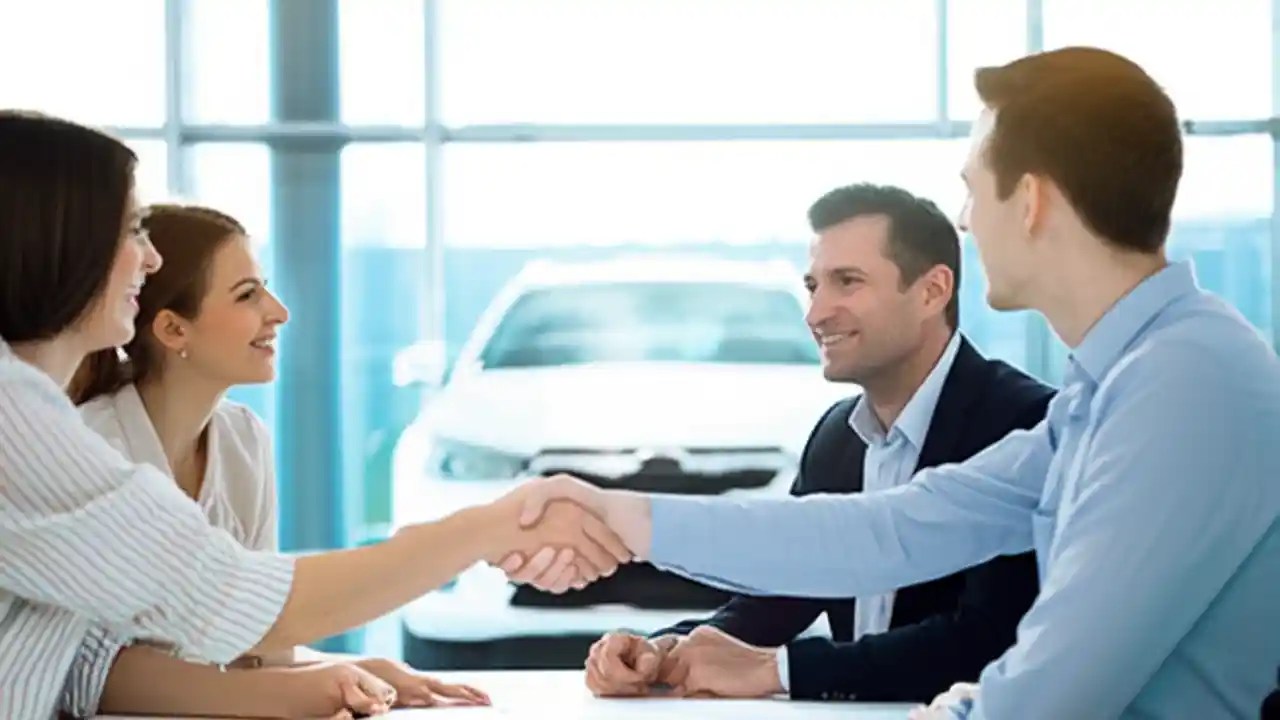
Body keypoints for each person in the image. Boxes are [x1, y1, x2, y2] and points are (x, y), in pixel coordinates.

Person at [503, 46, 1280, 719]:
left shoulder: (1187, 385)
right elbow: (889, 529)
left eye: (975, 189)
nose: (968, 220)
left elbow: (1054, 690)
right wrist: (620, 515)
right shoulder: (1109, 391)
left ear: (1034, 200)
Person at [0, 110, 630, 720]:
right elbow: (231, 601)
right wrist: (492, 528)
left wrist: (323, 673)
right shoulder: (20, 421)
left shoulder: (231, 438)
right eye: (131, 230)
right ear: (62, 241)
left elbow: (73, 660)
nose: (151, 257)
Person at [582, 184, 1052, 703]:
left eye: (847, 282)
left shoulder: (1026, 425)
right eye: (813, 287)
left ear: (932, 291)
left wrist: (780, 669)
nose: (816, 314)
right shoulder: (836, 436)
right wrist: (666, 651)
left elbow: (988, 642)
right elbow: (785, 594)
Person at [60, 203, 491, 717]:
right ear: (174, 330)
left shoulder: (243, 438)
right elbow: (83, 670)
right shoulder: (91, 449)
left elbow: (254, 643)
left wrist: (355, 672)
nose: (279, 312)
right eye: (248, 295)